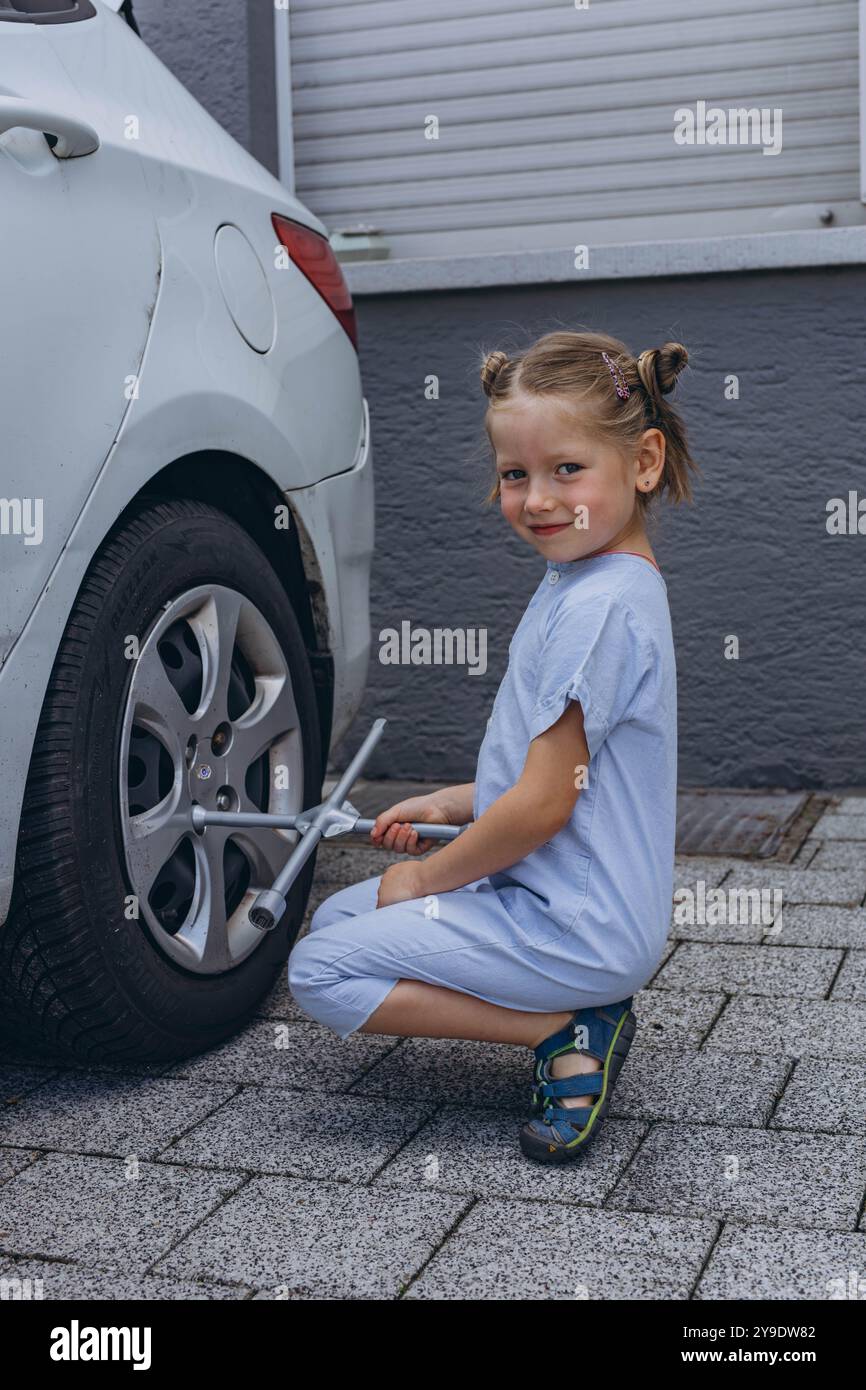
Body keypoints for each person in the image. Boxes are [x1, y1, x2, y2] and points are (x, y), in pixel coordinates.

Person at [288, 328, 699, 1164]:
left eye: (566, 470)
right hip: (558, 904)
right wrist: (454, 804)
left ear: (644, 462)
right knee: (337, 917)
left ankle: (565, 1027)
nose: (538, 498)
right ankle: (572, 1012)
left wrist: (427, 877)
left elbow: (546, 804)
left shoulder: (598, 610)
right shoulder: (587, 580)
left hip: (575, 927)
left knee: (319, 973)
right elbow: (562, 777)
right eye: (516, 475)